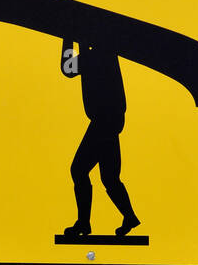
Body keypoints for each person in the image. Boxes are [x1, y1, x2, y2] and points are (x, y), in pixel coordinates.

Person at [60, 38, 141, 238]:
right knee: (110, 178)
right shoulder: (94, 55)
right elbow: (69, 68)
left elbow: (68, 68)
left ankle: (83, 223)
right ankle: (129, 217)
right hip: (111, 120)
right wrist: (68, 39)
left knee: (78, 170)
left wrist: (69, 37)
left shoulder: (102, 53)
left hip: (105, 120)